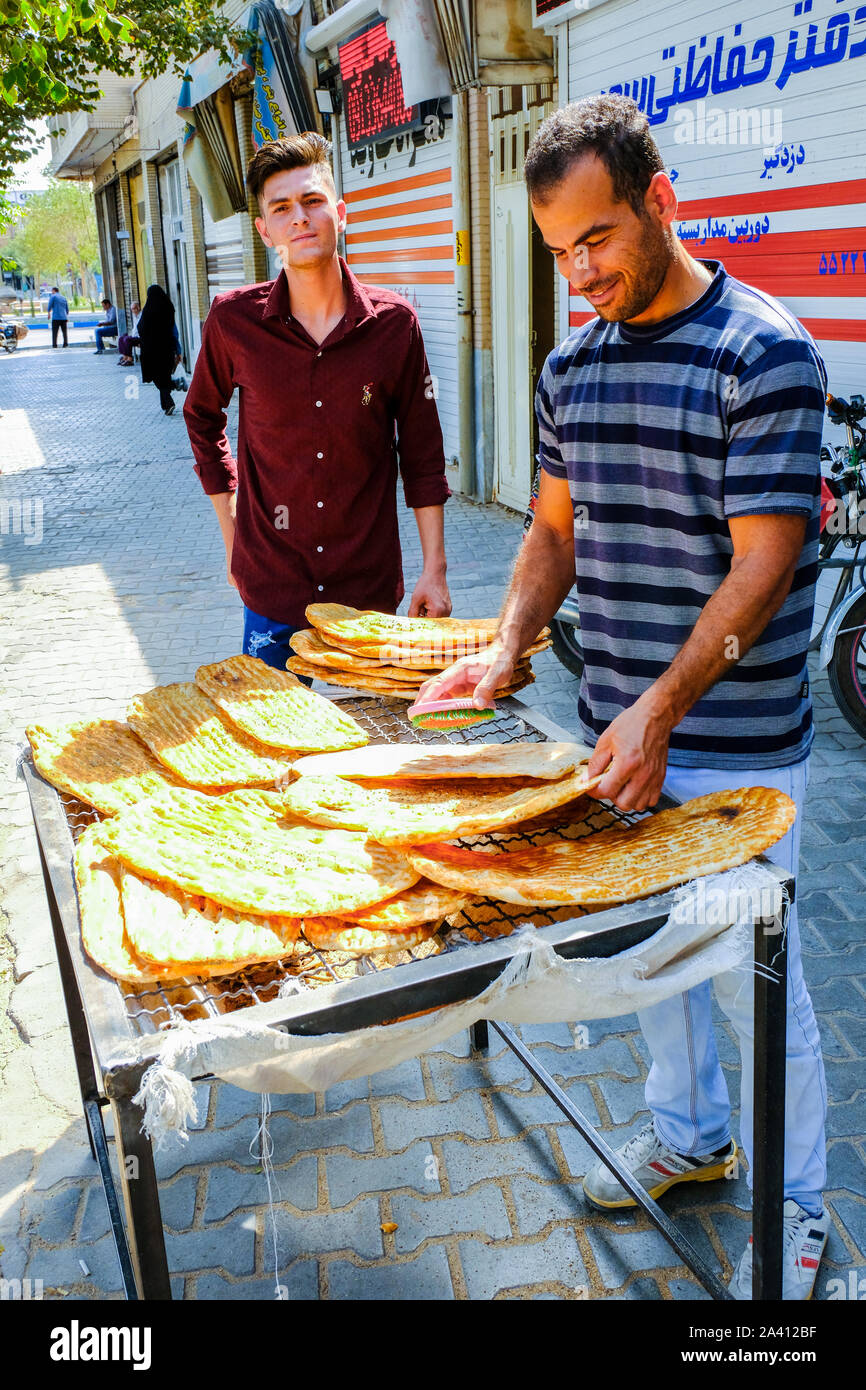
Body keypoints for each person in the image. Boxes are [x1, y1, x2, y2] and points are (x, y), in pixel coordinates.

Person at [420, 94, 829, 1300]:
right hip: (616, 729)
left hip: (733, 741)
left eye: (595, 239)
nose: (579, 271)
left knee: (759, 978)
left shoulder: (763, 352)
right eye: (557, 252)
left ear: (659, 200)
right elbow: (550, 532)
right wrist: (504, 651)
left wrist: (658, 712)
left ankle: (798, 1206)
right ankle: (691, 1139)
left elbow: (763, 562)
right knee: (657, 956)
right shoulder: (569, 364)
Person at [184, 131, 451, 672]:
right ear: (265, 231)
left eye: (312, 201)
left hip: (368, 598)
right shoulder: (233, 323)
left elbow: (422, 453)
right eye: (282, 208)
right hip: (272, 593)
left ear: (341, 212)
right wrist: (233, 535)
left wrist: (435, 568)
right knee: (270, 749)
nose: (299, 218)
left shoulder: (394, 325)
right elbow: (201, 415)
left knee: (371, 752)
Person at [136, 285, 179, 416]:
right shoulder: (169, 307)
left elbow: (140, 327)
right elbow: (174, 330)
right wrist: (178, 350)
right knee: (164, 375)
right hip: (167, 349)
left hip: (151, 351)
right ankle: (166, 404)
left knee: (157, 377)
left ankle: (169, 401)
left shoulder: (147, 310)